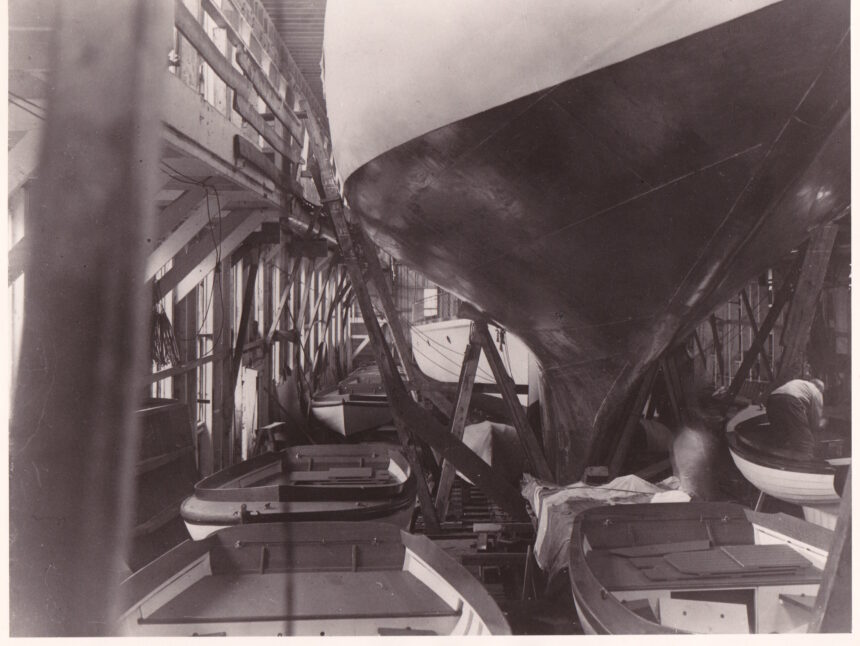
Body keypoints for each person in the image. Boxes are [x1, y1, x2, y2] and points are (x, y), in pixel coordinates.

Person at [765, 378, 826, 458]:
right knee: (805, 444)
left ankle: (774, 460)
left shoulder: (800, 383)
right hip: (790, 400)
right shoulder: (817, 391)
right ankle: (804, 463)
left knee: (781, 438)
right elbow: (815, 420)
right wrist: (821, 423)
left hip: (772, 399)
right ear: (820, 388)